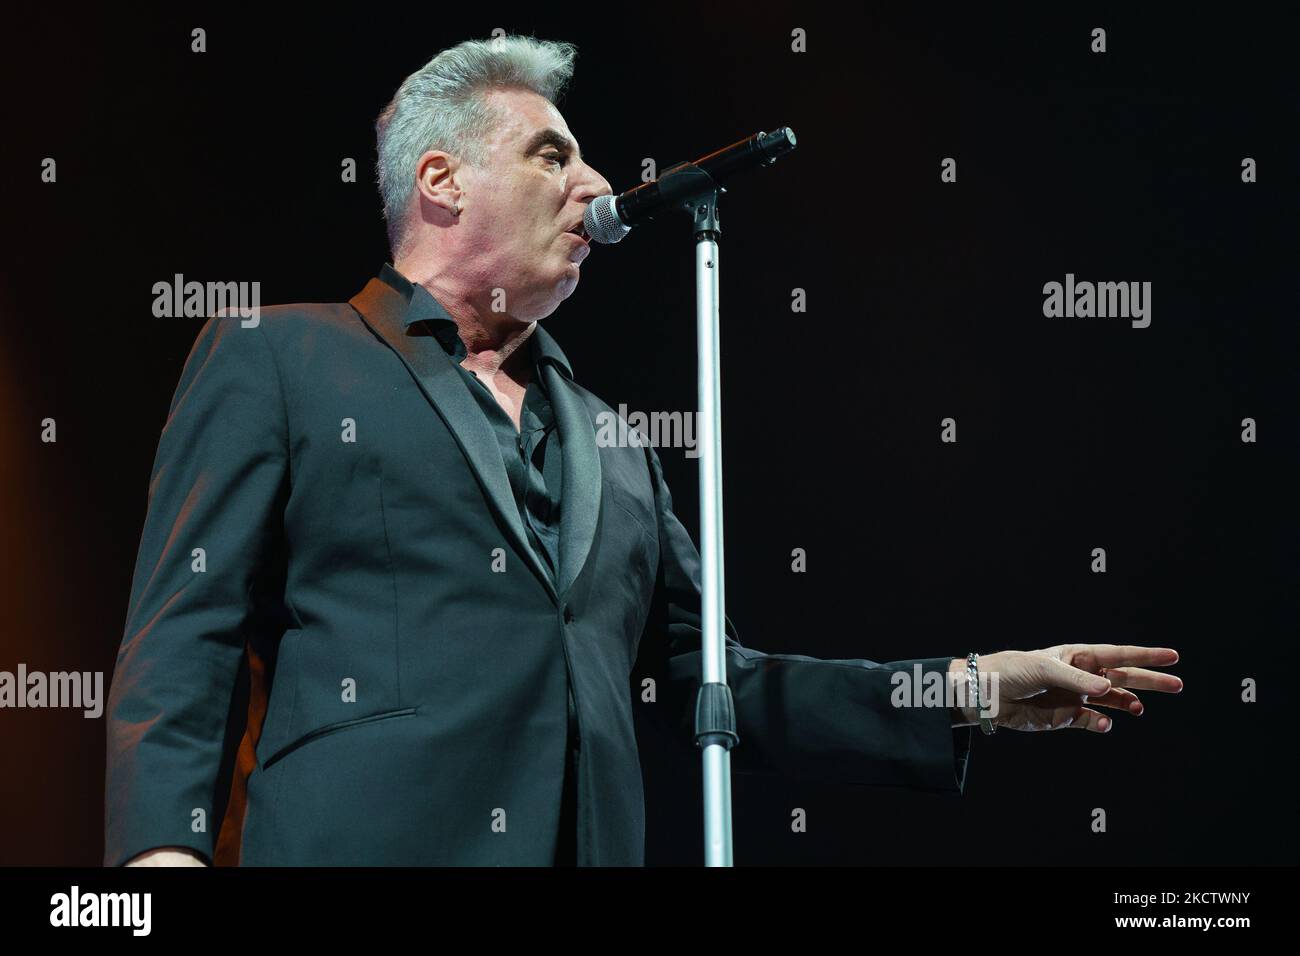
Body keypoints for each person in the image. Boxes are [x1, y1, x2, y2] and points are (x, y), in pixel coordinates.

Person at [106, 35, 1182, 867]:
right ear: (440, 179)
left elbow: (718, 685)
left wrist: (963, 686)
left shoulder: (612, 441)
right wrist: (159, 858)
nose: (594, 182)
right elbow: (182, 632)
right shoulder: (282, 355)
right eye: (551, 153)